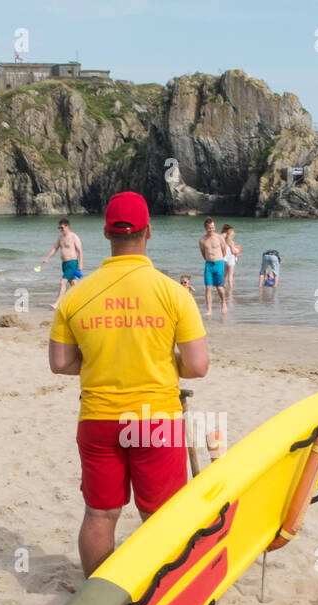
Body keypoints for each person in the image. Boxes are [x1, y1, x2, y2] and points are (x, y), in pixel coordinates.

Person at [49, 191, 209, 575]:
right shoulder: (174, 293)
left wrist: (101, 360)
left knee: (100, 515)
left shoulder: (76, 295)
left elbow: (60, 363)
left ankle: (99, 603)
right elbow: (198, 365)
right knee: (160, 517)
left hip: (99, 420)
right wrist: (166, 363)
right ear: (148, 231)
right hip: (156, 421)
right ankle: (160, 593)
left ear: (106, 233)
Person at [40, 218, 83, 308]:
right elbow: (55, 248)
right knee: (73, 283)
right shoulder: (60, 237)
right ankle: (81, 301)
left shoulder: (73, 236)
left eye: (62, 227)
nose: (60, 229)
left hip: (72, 262)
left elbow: (79, 250)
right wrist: (47, 258)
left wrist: (80, 264)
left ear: (67, 226)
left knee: (63, 282)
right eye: (59, 228)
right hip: (64, 264)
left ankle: (57, 303)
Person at [198, 217, 228, 317]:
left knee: (219, 287)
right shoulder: (202, 240)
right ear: (205, 228)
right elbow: (203, 253)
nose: (211, 229)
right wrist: (209, 260)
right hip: (208, 265)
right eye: (209, 228)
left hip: (219, 264)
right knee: (208, 287)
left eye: (213, 227)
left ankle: (223, 303)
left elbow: (224, 251)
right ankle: (209, 310)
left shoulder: (219, 238)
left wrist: (218, 259)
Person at [221, 225, 241, 294]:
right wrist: (237, 253)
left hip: (224, 259)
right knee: (230, 276)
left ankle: (222, 286)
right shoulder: (231, 242)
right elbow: (232, 251)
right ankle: (230, 289)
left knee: (224, 275)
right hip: (231, 260)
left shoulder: (223, 241)